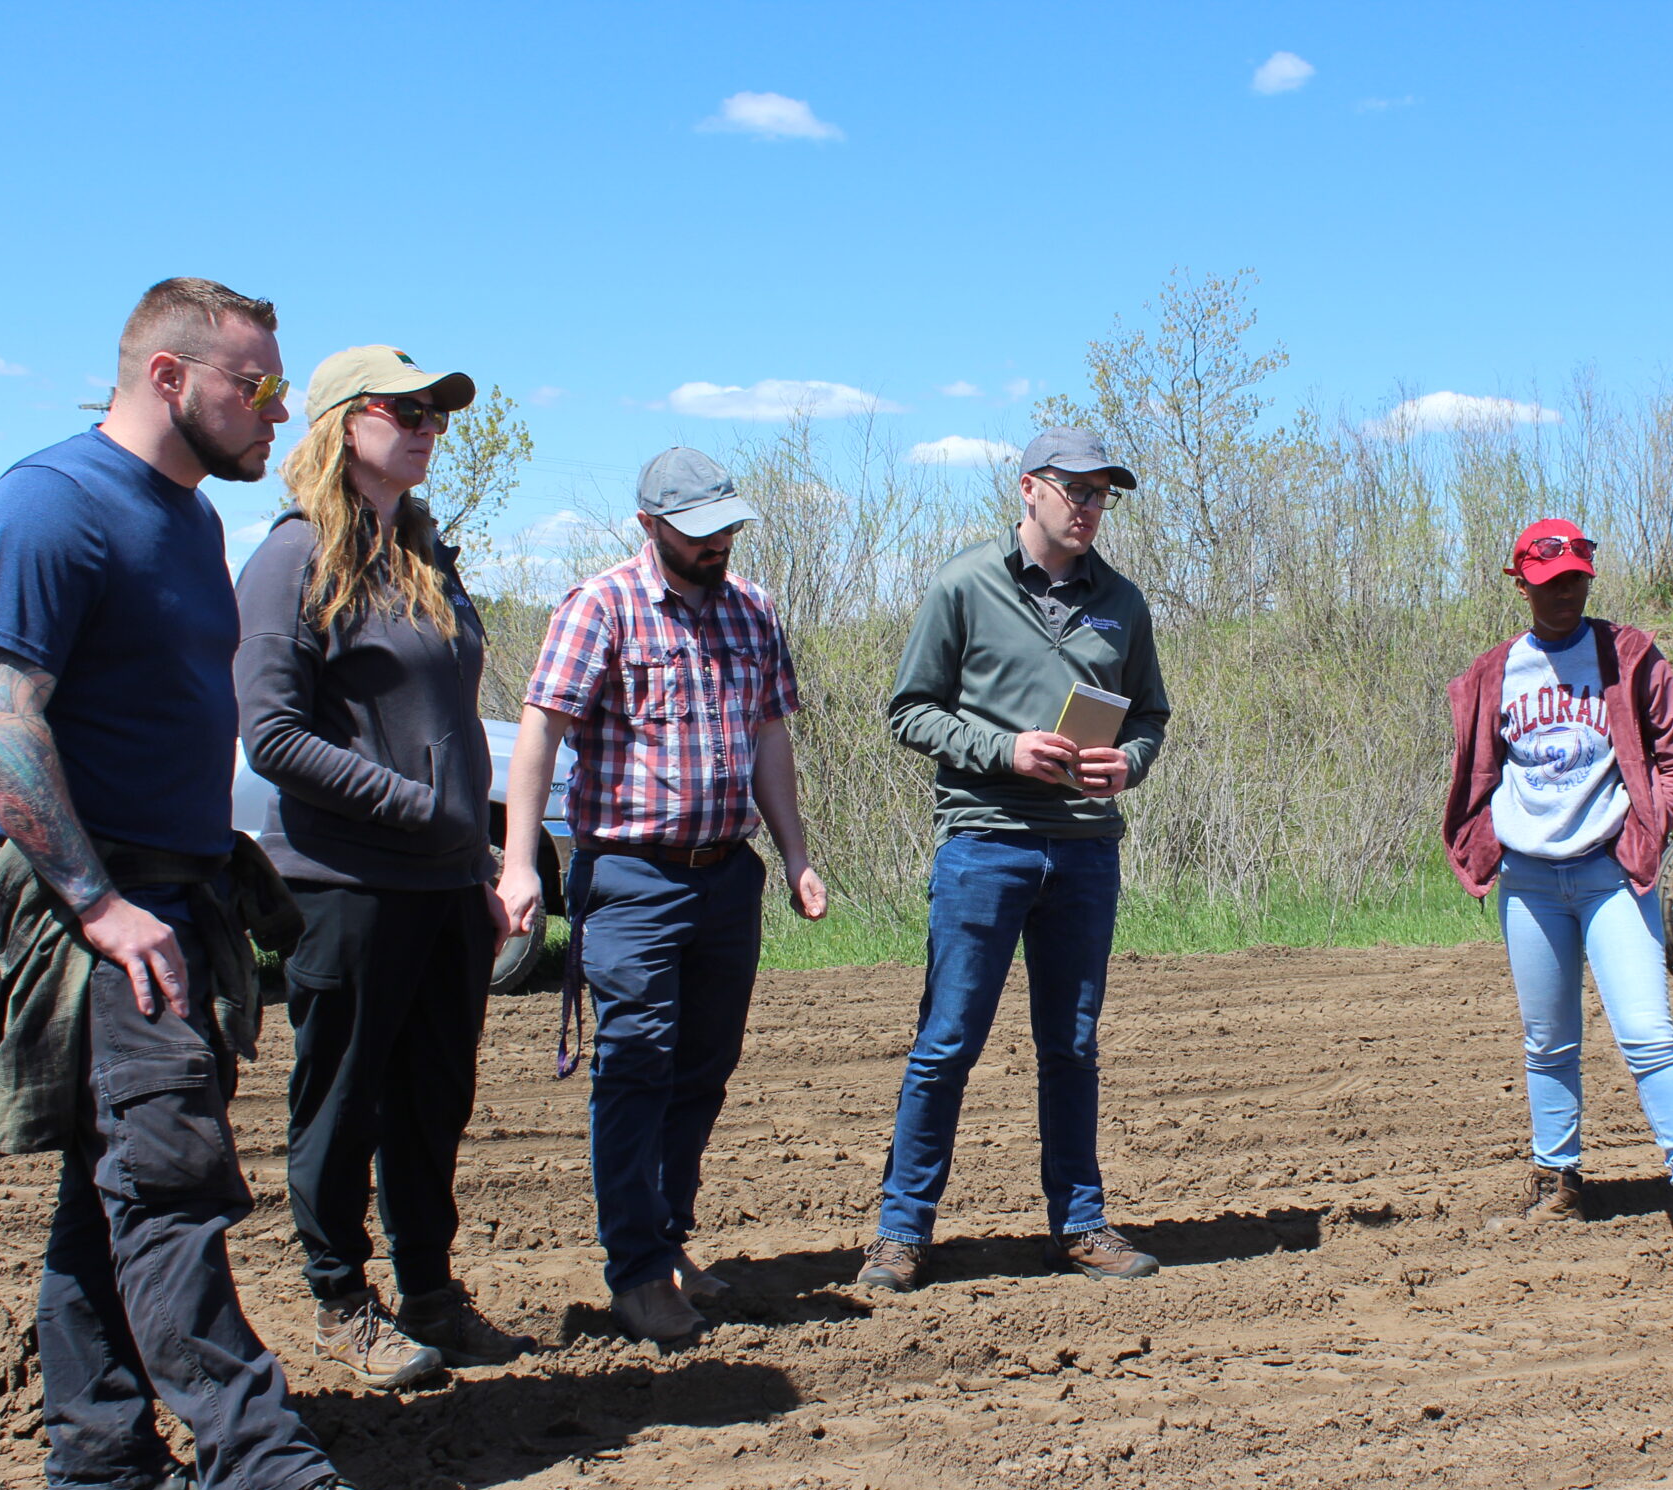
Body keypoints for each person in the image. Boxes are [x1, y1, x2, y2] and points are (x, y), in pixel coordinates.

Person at [0, 278, 441, 1490]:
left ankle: (101, 1457)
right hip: (104, 909)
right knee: (168, 1188)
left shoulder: (180, 517)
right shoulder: (53, 504)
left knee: (104, 1188)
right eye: (255, 385)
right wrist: (99, 904)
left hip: (171, 892)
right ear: (168, 377)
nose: (276, 410)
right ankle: (264, 1476)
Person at [236, 345, 533, 1390]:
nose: (426, 428)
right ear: (338, 425)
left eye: (435, 415)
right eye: (402, 411)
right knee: (343, 1101)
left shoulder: (422, 553)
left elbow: (447, 718)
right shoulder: (294, 559)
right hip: (347, 885)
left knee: (433, 1100)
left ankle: (431, 1294)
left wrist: (473, 854)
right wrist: (413, 806)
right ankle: (338, 1300)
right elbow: (271, 736)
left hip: (445, 885)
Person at [499, 448, 825, 1344]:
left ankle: (669, 1239)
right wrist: (520, 863)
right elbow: (540, 732)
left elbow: (769, 737)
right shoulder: (600, 606)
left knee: (703, 1069)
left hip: (727, 875)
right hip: (631, 878)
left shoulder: (753, 609)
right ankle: (636, 1268)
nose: (718, 544)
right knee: (637, 1062)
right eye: (698, 531)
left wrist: (796, 853)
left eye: (727, 527)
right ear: (649, 525)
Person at [857, 427, 1172, 1293]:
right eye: (1077, 489)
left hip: (1085, 851)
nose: (1090, 507)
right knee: (947, 1041)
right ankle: (900, 1232)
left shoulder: (1123, 602)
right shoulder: (964, 584)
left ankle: (1079, 1223)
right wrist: (1005, 750)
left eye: (1103, 494)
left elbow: (1150, 715)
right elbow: (909, 710)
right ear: (1028, 488)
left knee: (1071, 1044)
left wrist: (1129, 763)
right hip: (984, 843)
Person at [1442, 519, 1673, 1270]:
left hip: (1611, 874)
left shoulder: (1629, 656)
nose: (1564, 594)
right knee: (1548, 1041)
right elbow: (1476, 768)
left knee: (1647, 1034)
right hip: (1529, 881)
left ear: (1588, 579)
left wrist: (1648, 825)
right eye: (1549, 584)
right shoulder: (1494, 673)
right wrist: (1485, 840)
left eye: (1575, 580)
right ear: (1521, 585)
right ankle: (1558, 1182)